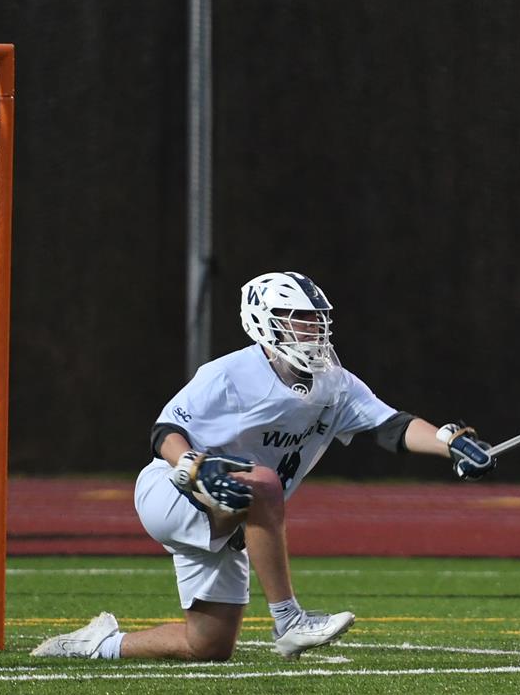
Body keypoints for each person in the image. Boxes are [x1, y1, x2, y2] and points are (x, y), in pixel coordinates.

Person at [33, 270, 493, 663]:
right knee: (264, 484)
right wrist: (194, 465)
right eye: (299, 321)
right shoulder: (230, 373)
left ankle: (97, 646)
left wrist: (449, 443)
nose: (312, 331)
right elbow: (165, 432)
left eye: (317, 321)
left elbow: (391, 425)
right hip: (174, 492)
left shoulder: (334, 381)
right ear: (264, 323)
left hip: (232, 518)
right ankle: (289, 620)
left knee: (207, 645)